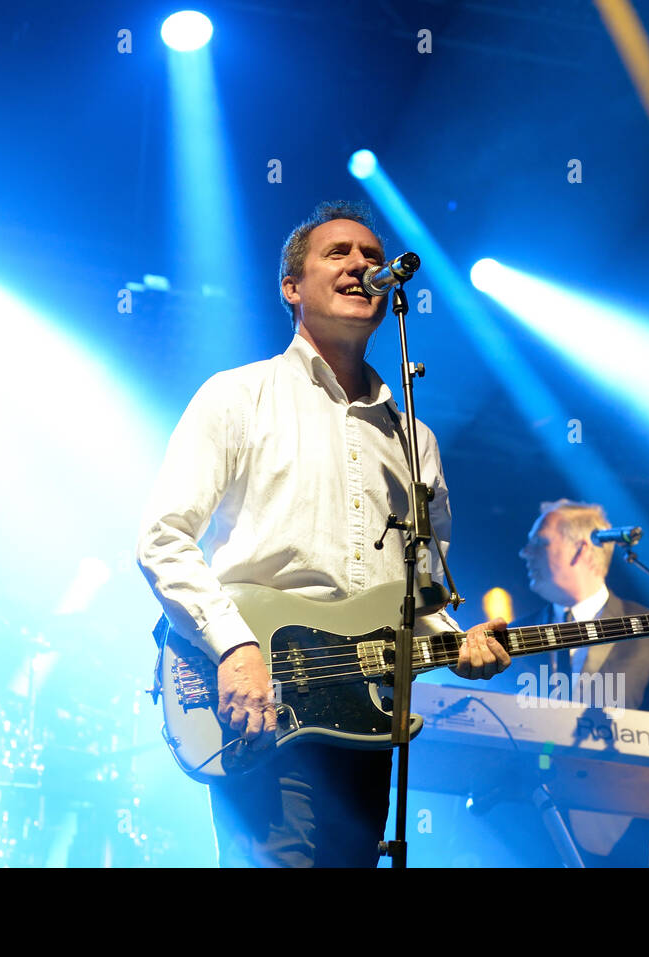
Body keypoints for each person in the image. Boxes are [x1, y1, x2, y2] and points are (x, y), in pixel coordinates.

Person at [136, 201, 509, 867]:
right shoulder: (236, 396)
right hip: (261, 700)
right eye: (339, 253)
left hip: (367, 716)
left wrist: (459, 641)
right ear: (292, 287)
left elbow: (417, 593)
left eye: (371, 256)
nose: (362, 264)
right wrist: (235, 647)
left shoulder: (414, 437)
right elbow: (163, 537)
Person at [513, 498, 649, 865]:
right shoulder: (517, 634)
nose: (524, 552)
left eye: (540, 543)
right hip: (522, 830)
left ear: (581, 549)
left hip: (618, 833)